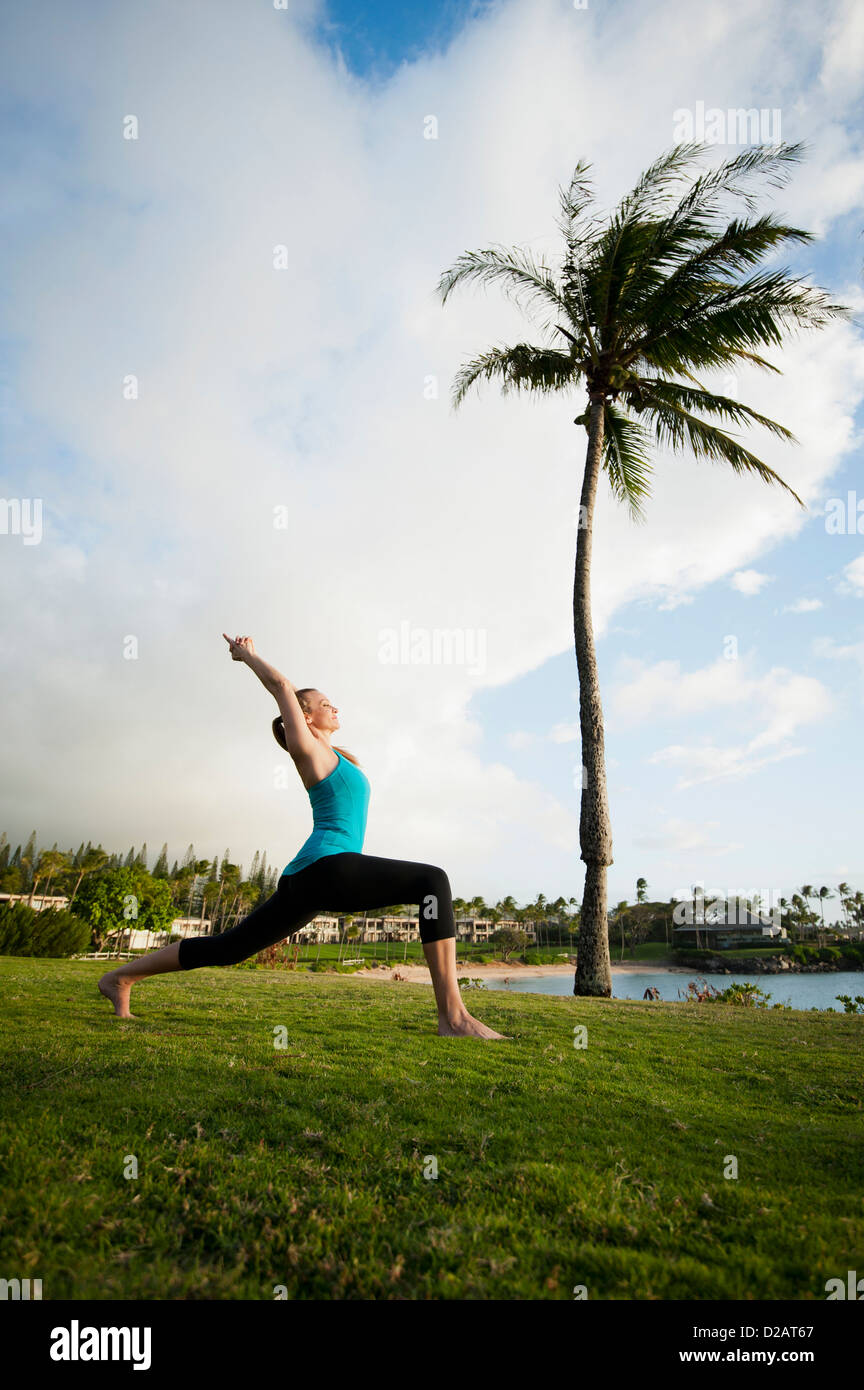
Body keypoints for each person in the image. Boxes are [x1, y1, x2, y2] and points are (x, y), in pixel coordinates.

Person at [98, 634, 508, 1039]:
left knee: (229, 948)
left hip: (310, 878)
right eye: (323, 703)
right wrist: (248, 656)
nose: (334, 706)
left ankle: (120, 979)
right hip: (325, 869)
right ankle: (453, 1018)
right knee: (432, 882)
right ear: (305, 715)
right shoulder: (307, 750)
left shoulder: (338, 757)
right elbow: (281, 688)